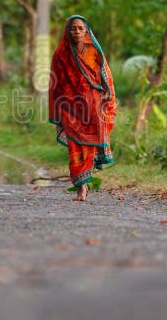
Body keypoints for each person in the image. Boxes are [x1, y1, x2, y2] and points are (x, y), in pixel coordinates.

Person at [49, 15, 117, 201]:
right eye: (73, 28)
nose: (77, 31)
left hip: (92, 104)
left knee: (89, 144)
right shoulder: (61, 54)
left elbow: (105, 72)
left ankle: (85, 183)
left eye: (80, 28)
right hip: (70, 107)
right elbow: (55, 81)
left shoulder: (94, 50)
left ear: (86, 30)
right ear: (68, 31)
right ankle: (81, 187)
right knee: (74, 145)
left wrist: (107, 94)